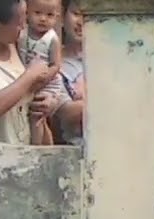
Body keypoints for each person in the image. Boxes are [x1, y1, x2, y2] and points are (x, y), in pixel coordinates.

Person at [0, 0, 61, 145]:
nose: (23, 27)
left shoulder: (16, 46)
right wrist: (30, 75)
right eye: (19, 22)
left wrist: (48, 103)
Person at [17, 0, 66, 145]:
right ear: (27, 13)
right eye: (38, 13)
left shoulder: (52, 39)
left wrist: (45, 77)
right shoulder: (21, 34)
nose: (43, 19)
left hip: (48, 83)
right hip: (27, 78)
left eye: (49, 15)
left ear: (57, 17)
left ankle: (37, 148)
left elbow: (56, 65)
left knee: (38, 115)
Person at [54, 0, 87, 145]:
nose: (80, 22)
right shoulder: (54, 62)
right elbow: (67, 112)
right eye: (76, 14)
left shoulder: (107, 58)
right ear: (62, 16)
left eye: (87, 15)